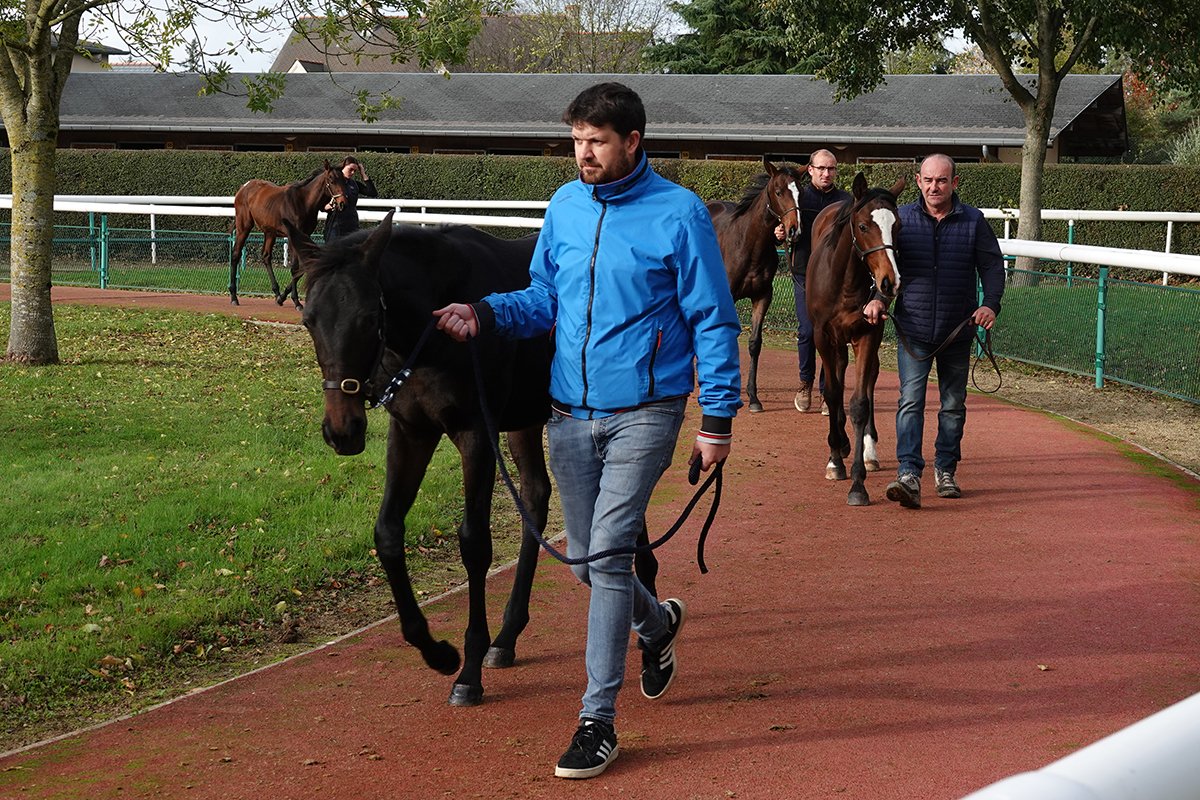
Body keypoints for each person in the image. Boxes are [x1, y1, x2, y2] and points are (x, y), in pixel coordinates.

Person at [433, 82, 742, 780]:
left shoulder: (679, 214)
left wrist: (717, 418)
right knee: (584, 563)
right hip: (568, 415)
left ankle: (596, 719)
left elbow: (714, 321)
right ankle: (657, 626)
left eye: (596, 141)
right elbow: (545, 297)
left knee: (604, 556)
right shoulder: (566, 207)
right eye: (577, 140)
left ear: (633, 141)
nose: (584, 154)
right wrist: (484, 312)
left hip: (647, 410)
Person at [863, 153, 1004, 508]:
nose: (934, 187)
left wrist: (990, 304)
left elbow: (992, 267)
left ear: (954, 183)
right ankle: (908, 473)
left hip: (958, 330)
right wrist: (878, 299)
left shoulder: (973, 221)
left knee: (953, 405)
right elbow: (886, 265)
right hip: (914, 328)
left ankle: (946, 470)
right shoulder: (902, 220)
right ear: (917, 181)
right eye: (928, 180)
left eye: (941, 180)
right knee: (910, 401)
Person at [776, 149, 852, 414]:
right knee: (808, 331)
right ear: (810, 170)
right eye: (821, 168)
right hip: (804, 272)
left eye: (830, 169)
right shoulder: (800, 196)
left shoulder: (846, 200)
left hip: (836, 279)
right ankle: (805, 383)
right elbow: (783, 223)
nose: (826, 173)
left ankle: (826, 389)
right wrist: (778, 233)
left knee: (832, 335)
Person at [323, 155, 377, 242]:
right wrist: (328, 206)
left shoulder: (354, 184)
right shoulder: (333, 183)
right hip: (335, 224)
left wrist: (362, 173)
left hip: (352, 223)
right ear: (343, 167)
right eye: (350, 169)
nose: (352, 173)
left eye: (355, 171)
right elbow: (322, 206)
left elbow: (372, 193)